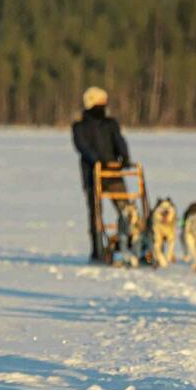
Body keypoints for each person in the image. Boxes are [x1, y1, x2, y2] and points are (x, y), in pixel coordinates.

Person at [72, 86, 131, 263]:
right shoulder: (80, 125)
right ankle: (97, 249)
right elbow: (82, 146)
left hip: (112, 173)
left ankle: (129, 242)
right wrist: (97, 160)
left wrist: (125, 158)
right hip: (92, 175)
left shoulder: (110, 123)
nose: (104, 105)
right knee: (95, 213)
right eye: (101, 102)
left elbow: (119, 141)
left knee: (126, 209)